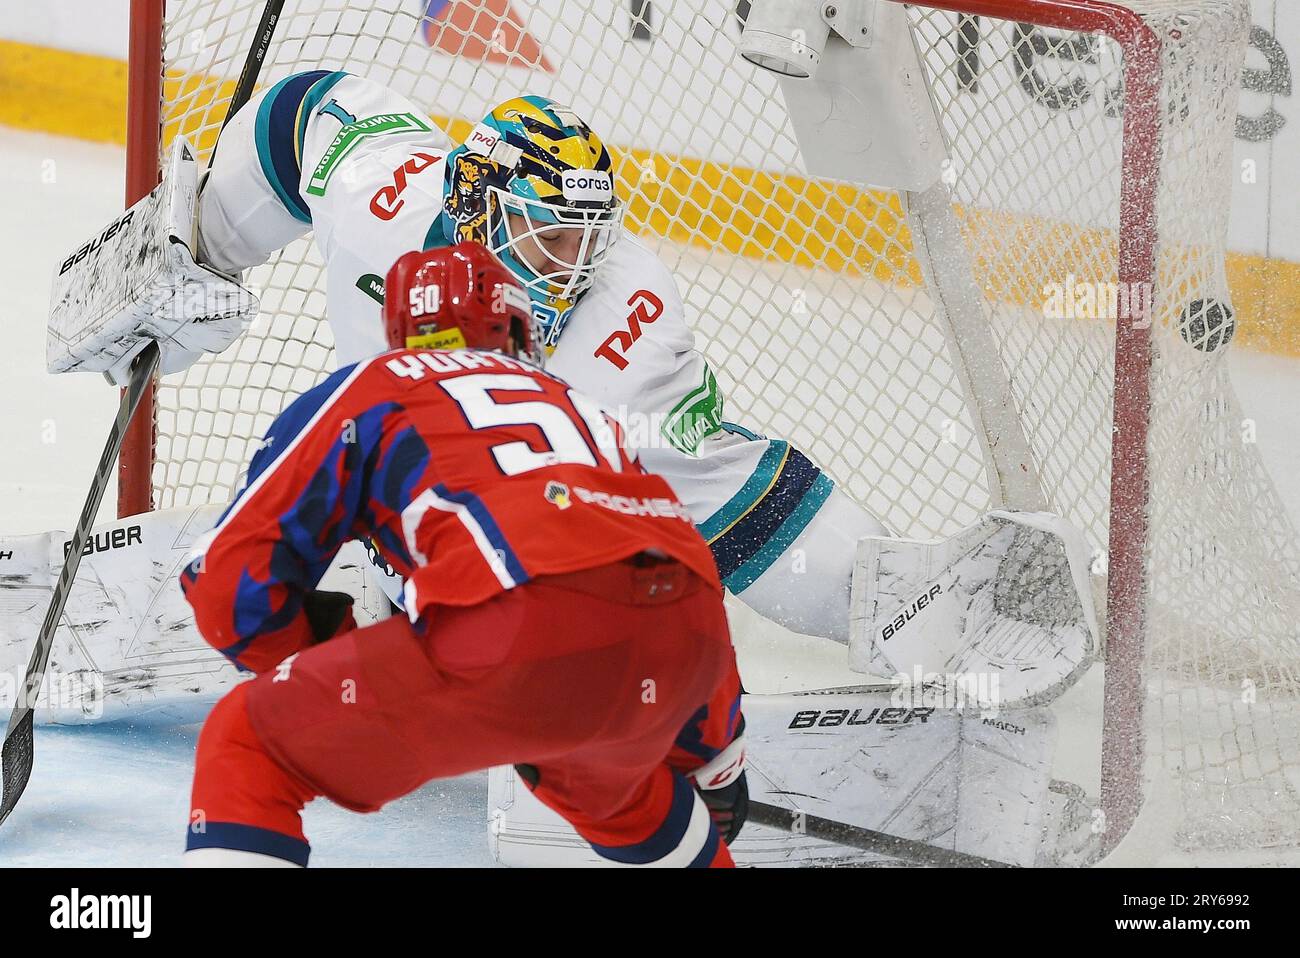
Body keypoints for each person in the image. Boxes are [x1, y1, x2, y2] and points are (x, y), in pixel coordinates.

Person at [196, 71, 887, 642]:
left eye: (587, 239)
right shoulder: (384, 199)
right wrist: (204, 246)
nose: (573, 267)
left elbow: (721, 488)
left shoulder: (622, 327)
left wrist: (874, 597)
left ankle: (885, 601)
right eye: (549, 237)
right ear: (473, 208)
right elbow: (304, 112)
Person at [180, 242, 746, 867]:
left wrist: (322, 659)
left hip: (512, 632)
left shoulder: (374, 385)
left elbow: (228, 589)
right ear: (518, 327)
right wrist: (716, 759)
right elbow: (678, 580)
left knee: (249, 742)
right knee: (612, 784)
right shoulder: (583, 406)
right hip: (682, 639)